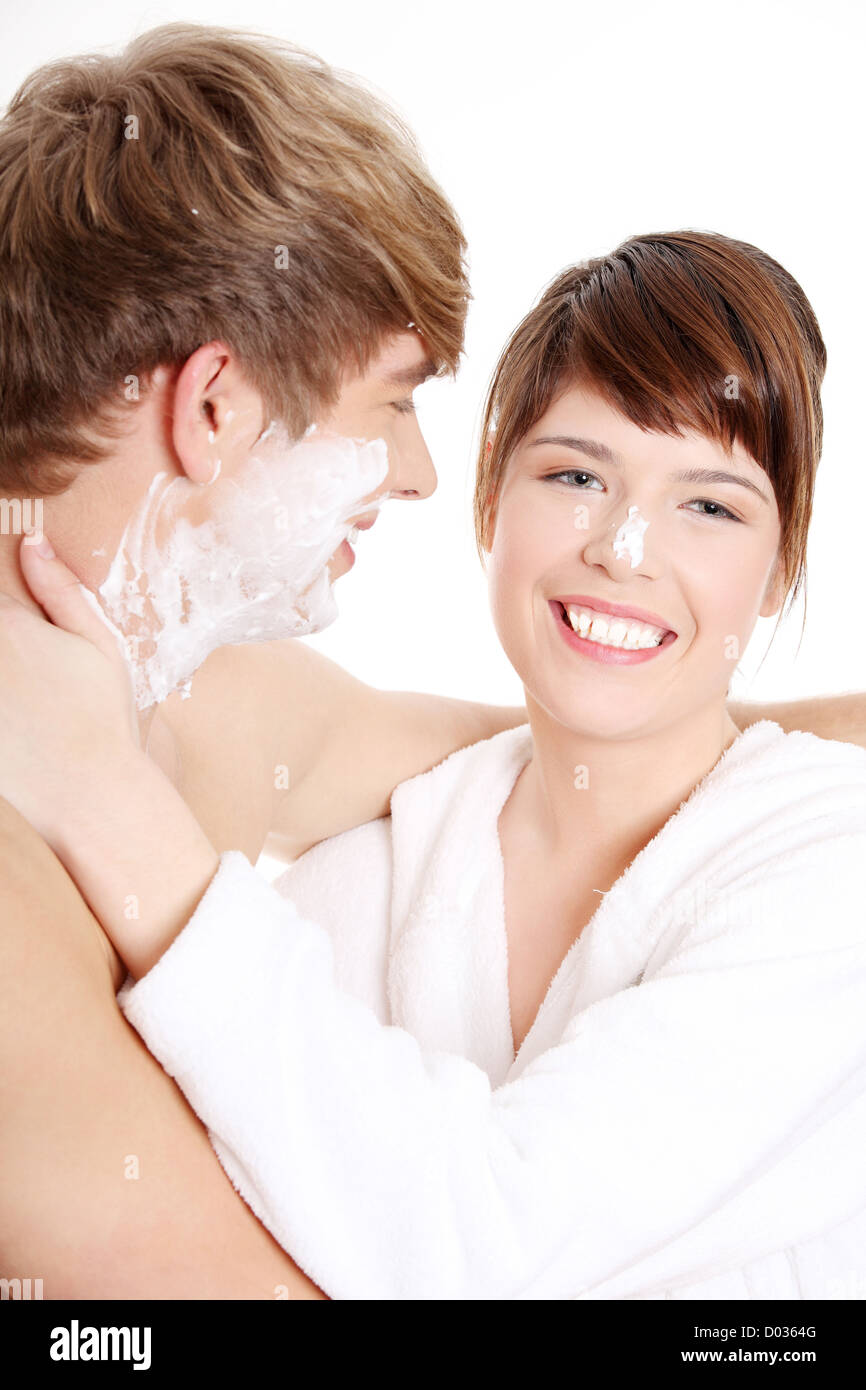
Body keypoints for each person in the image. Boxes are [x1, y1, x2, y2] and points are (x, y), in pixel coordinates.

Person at [2, 228, 865, 1299]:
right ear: (489, 504)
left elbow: (485, 1253)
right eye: (575, 474)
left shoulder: (834, 877)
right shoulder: (363, 883)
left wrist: (99, 788)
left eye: (706, 504)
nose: (622, 550)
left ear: (779, 567)